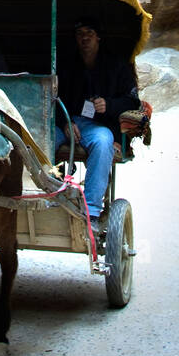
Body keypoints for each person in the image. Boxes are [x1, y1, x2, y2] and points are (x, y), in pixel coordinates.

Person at [55, 17, 138, 239]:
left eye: (89, 33)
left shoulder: (116, 65)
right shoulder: (66, 64)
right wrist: (65, 122)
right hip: (67, 123)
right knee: (40, 140)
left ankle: (90, 212)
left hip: (98, 126)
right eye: (80, 33)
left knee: (103, 143)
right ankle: (48, 196)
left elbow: (132, 102)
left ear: (98, 37)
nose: (84, 38)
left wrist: (109, 105)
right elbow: (51, 97)